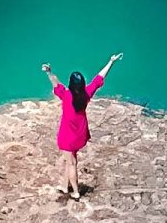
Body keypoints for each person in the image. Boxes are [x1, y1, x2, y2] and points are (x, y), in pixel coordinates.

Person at [41, 53, 123, 198]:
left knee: (71, 163)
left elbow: (55, 82)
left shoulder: (66, 96)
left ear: (71, 85)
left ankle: (76, 192)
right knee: (71, 160)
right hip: (80, 134)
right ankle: (65, 187)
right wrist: (111, 61)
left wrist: (49, 71)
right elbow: (99, 78)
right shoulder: (86, 94)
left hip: (67, 137)